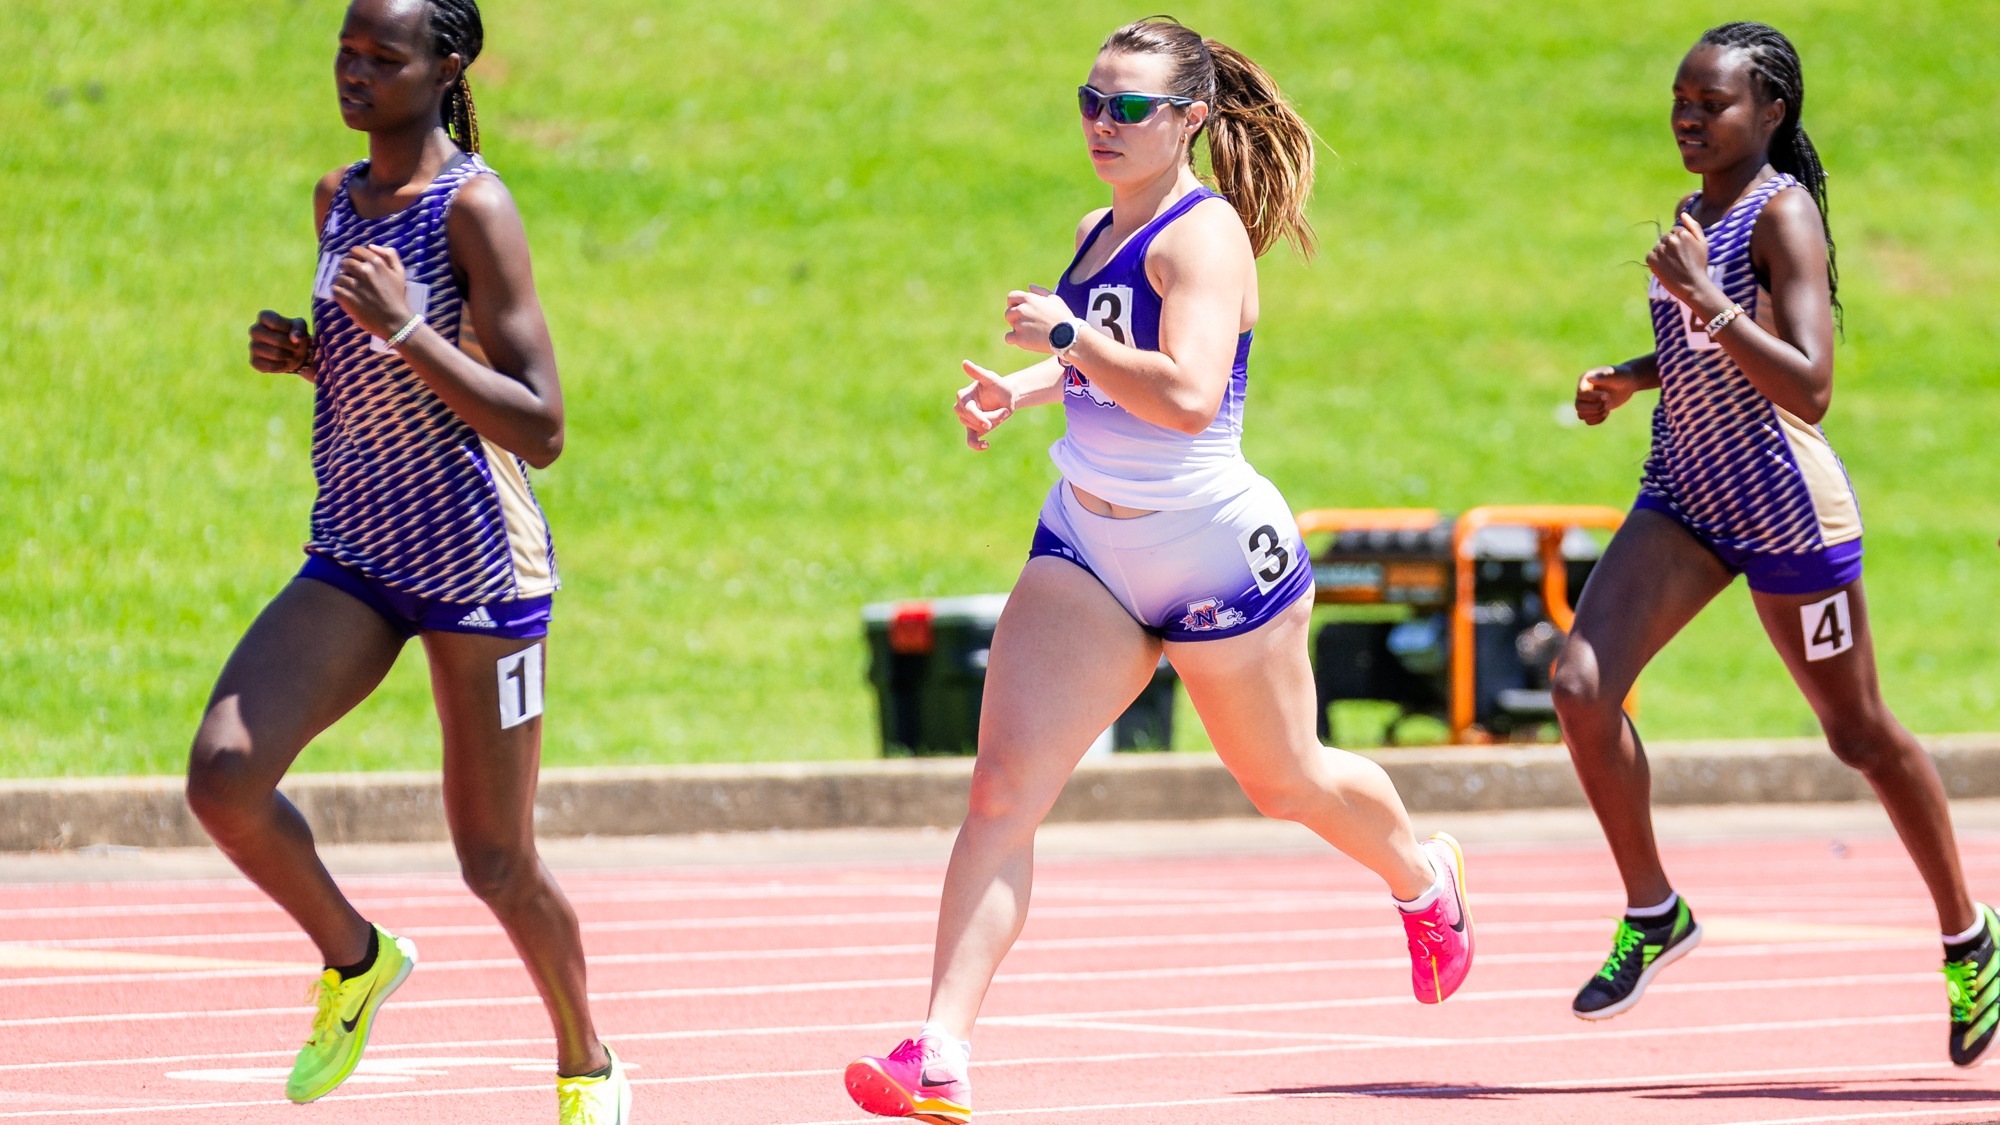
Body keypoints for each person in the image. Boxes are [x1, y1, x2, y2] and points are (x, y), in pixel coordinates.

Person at [843, 18, 1472, 1123]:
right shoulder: (1098, 228)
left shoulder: (1207, 236)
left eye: (1127, 106)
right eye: (1088, 99)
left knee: (1283, 783)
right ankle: (936, 1051)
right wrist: (1021, 386)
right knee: (1000, 791)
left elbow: (1183, 394)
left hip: (1210, 550)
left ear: (1187, 120)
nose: (1100, 122)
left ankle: (1422, 880)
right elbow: (1101, 365)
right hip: (1087, 542)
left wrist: (1066, 343)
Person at [183, 1, 631, 1118]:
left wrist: (402, 332)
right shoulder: (338, 198)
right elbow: (386, 379)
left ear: (447, 66)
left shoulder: (475, 207)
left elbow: (541, 426)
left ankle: (588, 1064)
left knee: (495, 864)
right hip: (359, 552)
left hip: (481, 570)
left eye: (383, 58)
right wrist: (313, 357)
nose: (355, 72)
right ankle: (356, 959)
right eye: (345, 51)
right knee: (224, 777)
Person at [1559, 20, 1995, 1065]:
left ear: (1770, 114)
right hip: (1683, 496)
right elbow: (1704, 348)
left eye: (1710, 104)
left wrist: (1705, 302)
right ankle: (1652, 910)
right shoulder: (1688, 211)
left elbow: (1807, 383)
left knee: (1854, 734)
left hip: (1782, 507)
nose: (1687, 119)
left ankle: (1968, 938)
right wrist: (1633, 374)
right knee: (1579, 685)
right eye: (1678, 101)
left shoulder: (1781, 215)